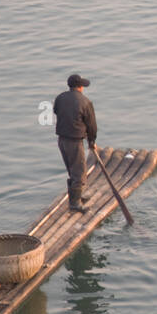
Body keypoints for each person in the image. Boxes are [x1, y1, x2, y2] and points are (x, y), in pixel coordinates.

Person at [53, 74, 98, 213]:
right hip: (74, 141)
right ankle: (75, 204)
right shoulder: (85, 102)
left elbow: (56, 111)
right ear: (80, 87)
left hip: (62, 140)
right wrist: (91, 141)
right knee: (79, 173)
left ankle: (76, 197)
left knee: (72, 170)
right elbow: (92, 126)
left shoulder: (60, 98)